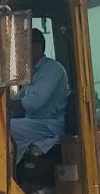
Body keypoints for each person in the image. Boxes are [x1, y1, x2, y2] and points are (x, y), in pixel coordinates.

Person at [9, 29, 70, 163]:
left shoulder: (52, 69)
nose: (18, 54)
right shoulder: (33, 72)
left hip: (48, 126)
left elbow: (34, 102)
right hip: (34, 124)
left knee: (2, 128)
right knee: (0, 124)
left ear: (36, 48)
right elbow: (19, 101)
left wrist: (5, 105)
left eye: (21, 49)